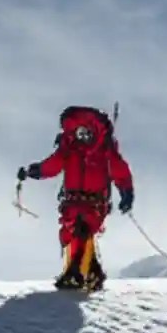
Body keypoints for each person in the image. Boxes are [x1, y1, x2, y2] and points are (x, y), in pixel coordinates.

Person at [18, 106, 134, 292]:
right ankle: (91, 273)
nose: (82, 136)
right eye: (78, 132)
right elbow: (51, 166)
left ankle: (75, 274)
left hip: (95, 204)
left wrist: (127, 193)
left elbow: (121, 172)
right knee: (70, 235)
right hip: (71, 203)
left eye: (86, 131)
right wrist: (33, 171)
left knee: (83, 229)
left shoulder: (105, 152)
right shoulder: (69, 150)